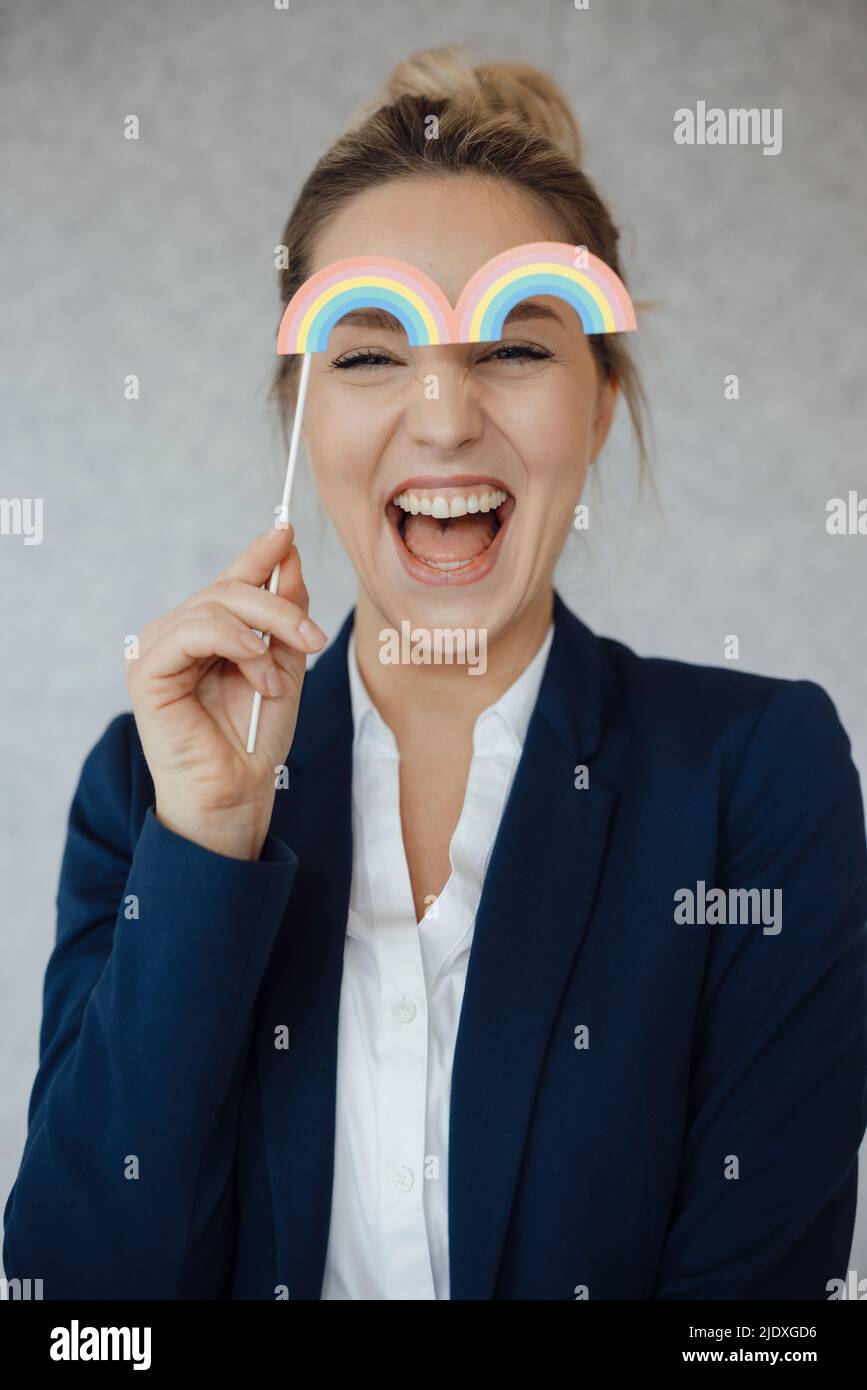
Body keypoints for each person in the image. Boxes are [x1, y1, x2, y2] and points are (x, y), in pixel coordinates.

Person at [4, 47, 866, 1301]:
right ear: (299, 413)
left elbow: (753, 1321)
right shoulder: (150, 782)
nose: (447, 413)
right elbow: (83, 1307)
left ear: (602, 402)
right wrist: (206, 853)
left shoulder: (756, 780)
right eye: (368, 355)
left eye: (517, 348)